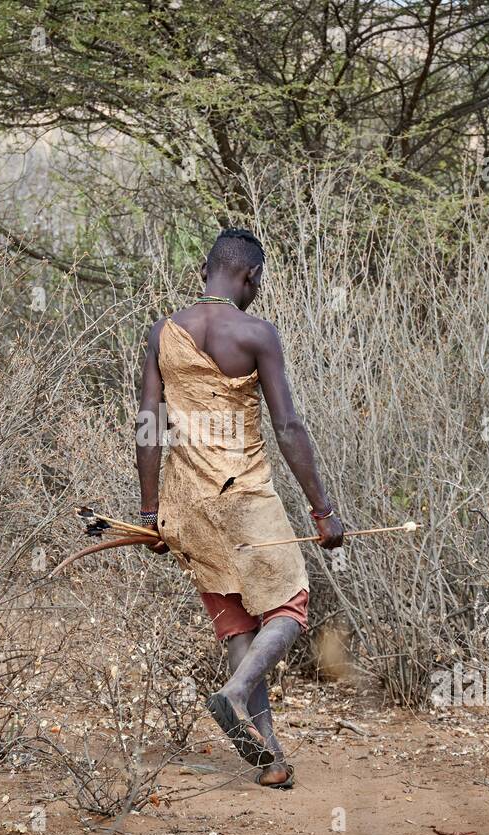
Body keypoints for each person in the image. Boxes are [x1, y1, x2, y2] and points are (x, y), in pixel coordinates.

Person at [135, 227, 344, 789]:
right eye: (258, 283)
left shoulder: (162, 332)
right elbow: (287, 426)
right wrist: (322, 511)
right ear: (249, 279)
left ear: (205, 271)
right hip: (244, 495)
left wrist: (153, 513)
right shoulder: (256, 333)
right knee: (290, 607)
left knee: (236, 627)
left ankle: (270, 757)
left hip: (188, 502)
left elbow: (149, 428)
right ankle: (231, 695)